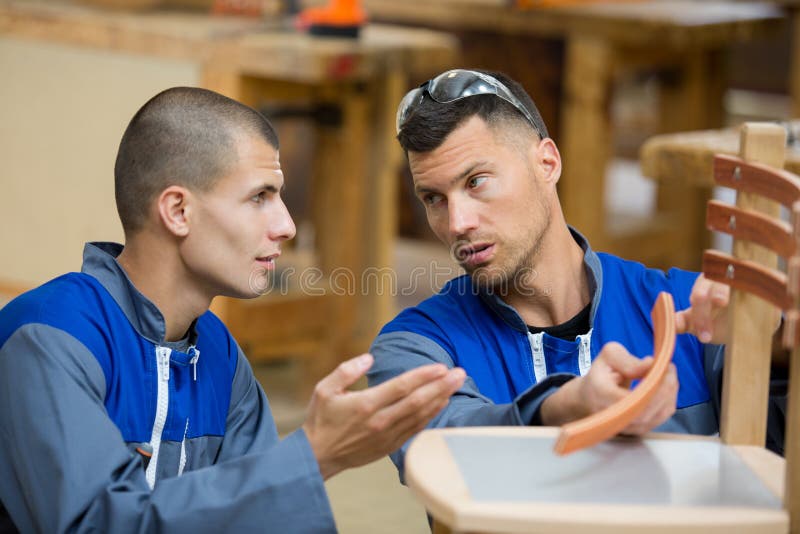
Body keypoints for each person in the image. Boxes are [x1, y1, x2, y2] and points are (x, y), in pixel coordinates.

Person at [0, 87, 466, 533]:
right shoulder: (50, 340)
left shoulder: (219, 357)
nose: (285, 225)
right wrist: (314, 454)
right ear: (178, 211)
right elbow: (97, 525)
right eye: (259, 197)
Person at [367, 68, 783, 477]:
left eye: (476, 182)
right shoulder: (412, 347)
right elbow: (437, 455)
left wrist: (776, 341)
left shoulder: (695, 310)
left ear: (546, 163)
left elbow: (782, 449)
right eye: (434, 198)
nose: (457, 222)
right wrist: (560, 409)